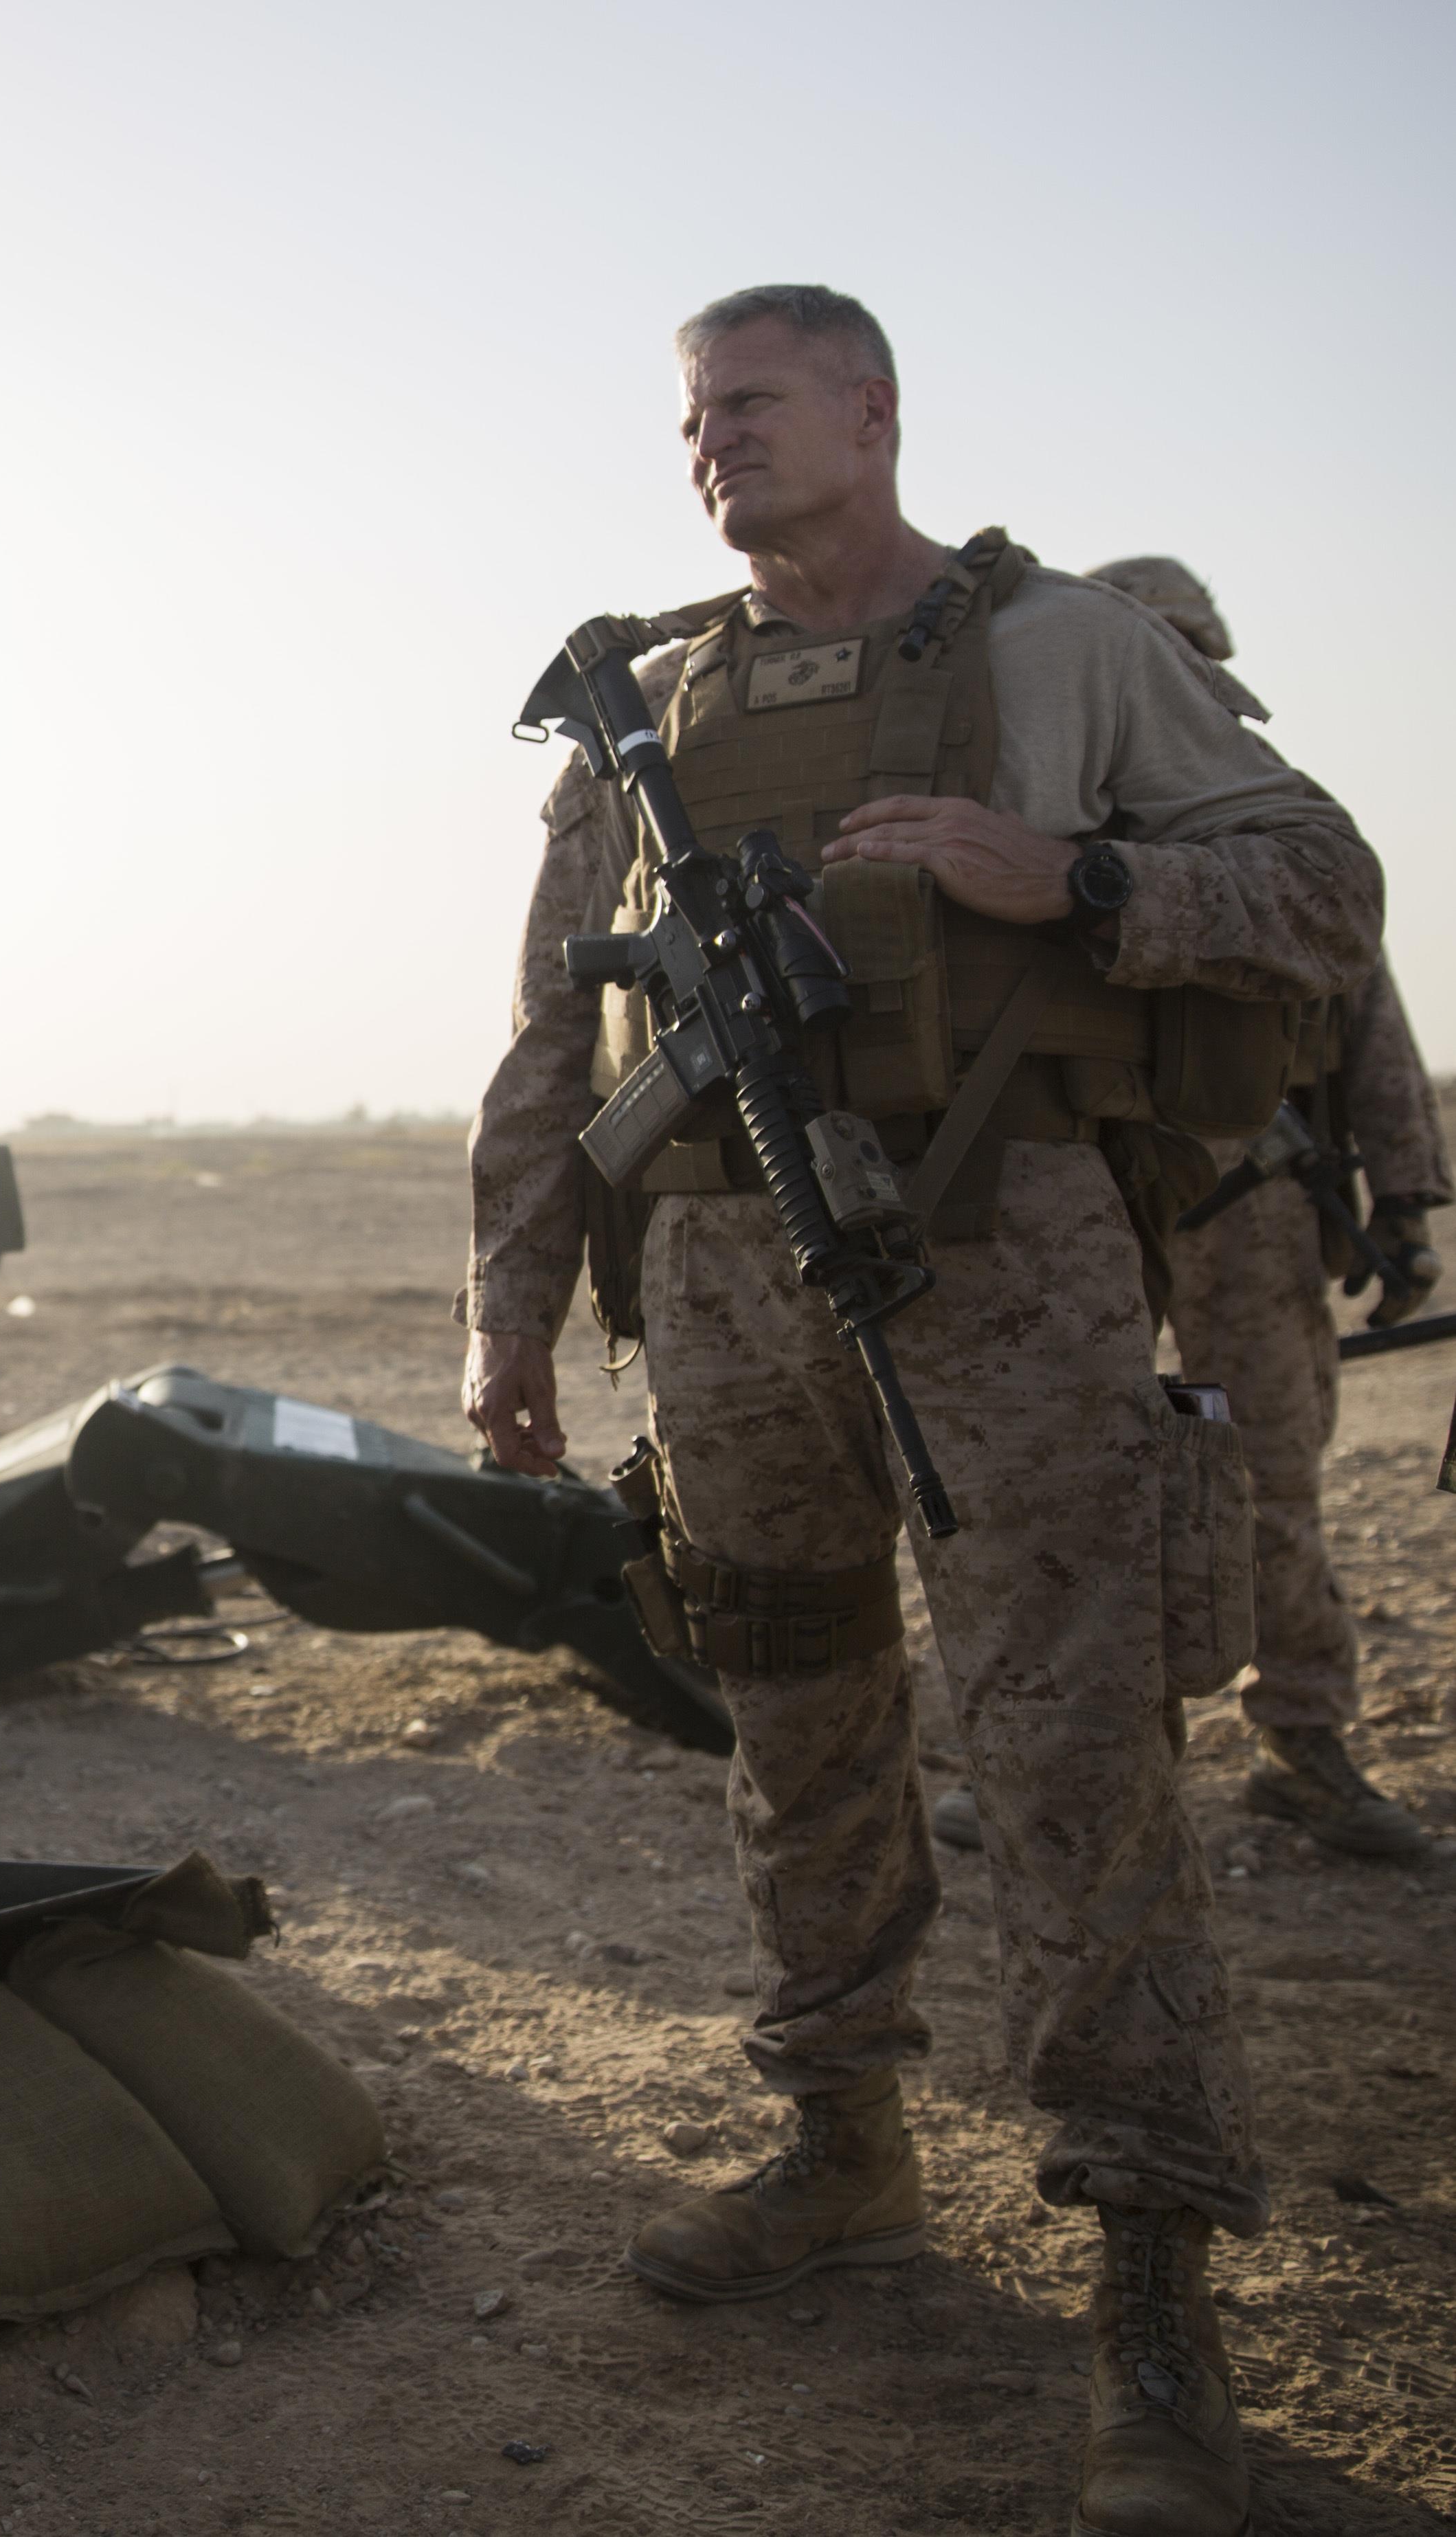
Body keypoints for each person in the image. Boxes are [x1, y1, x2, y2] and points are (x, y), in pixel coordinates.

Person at [458, 284, 1385, 2537]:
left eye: (749, 409)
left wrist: (1067, 876)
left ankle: (1149, 2268)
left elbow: (1321, 894)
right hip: (710, 1279)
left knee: (1067, 1736)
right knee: (790, 1722)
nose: (712, 451)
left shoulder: (1056, 646)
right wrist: (504, 1326)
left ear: (870, 414)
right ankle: (840, 2142)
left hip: (1000, 1268)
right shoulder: (644, 705)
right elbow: (540, 1055)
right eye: (689, 424)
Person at [929, 557, 1443, 1862]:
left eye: (1194, 647)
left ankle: (1303, 1743)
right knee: (1065, 1490)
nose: (1179, 667)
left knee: (1266, 1481)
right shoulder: (1030, 827)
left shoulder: (1269, 833)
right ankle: (1063, 1761)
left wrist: (1409, 1200)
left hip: (1252, 1212)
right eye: (1153, 646)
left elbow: (1366, 1021)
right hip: (1081, 1195)